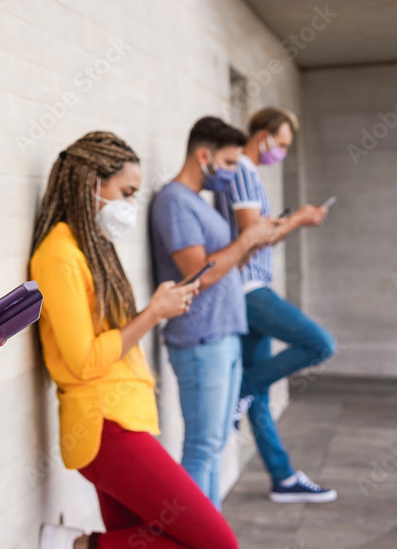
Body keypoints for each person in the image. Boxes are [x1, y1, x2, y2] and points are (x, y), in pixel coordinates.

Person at [31, 132, 238, 549]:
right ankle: (73, 545)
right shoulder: (59, 256)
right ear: (92, 184)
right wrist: (154, 313)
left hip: (123, 416)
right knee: (219, 544)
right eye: (126, 193)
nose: (129, 205)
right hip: (103, 425)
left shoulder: (89, 246)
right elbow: (84, 360)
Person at [148, 117, 275, 509]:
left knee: (216, 443)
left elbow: (225, 262)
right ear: (204, 156)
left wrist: (252, 242)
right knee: (202, 447)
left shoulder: (198, 202)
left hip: (223, 335)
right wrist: (246, 239)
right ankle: (193, 533)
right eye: (230, 162)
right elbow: (197, 275)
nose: (234, 173)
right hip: (200, 339)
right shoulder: (173, 201)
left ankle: (211, 530)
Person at [214, 106, 337, 503]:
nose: (281, 152)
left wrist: (288, 222)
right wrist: (297, 219)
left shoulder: (249, 172)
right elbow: (253, 235)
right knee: (320, 344)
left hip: (251, 286)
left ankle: (282, 477)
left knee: (259, 397)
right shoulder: (243, 171)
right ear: (263, 136)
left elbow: (259, 233)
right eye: (281, 143)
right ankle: (241, 389)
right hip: (247, 289)